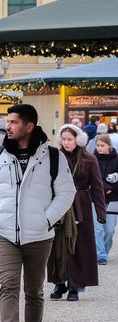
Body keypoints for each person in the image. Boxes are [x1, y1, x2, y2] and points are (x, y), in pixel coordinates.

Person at [0, 104, 76, 322]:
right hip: (4, 233)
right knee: (8, 285)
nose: (7, 126)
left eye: (13, 122)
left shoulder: (53, 157)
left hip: (39, 236)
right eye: (7, 122)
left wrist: (47, 219)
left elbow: (67, 192)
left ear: (29, 126)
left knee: (34, 290)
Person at [47, 124, 106, 302]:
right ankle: (59, 282)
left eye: (70, 139)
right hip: (57, 203)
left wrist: (101, 212)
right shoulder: (54, 157)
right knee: (56, 245)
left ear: (78, 140)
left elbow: (97, 187)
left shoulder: (89, 159)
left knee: (79, 246)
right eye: (64, 139)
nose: (66, 142)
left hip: (81, 205)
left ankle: (75, 286)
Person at [93, 133, 118, 265]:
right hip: (95, 199)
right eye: (98, 145)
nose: (99, 148)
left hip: (112, 199)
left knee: (109, 231)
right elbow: (90, 178)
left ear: (109, 146)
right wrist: (102, 188)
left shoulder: (116, 159)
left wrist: (110, 188)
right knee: (98, 229)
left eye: (102, 145)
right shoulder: (92, 159)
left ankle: (104, 252)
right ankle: (101, 255)